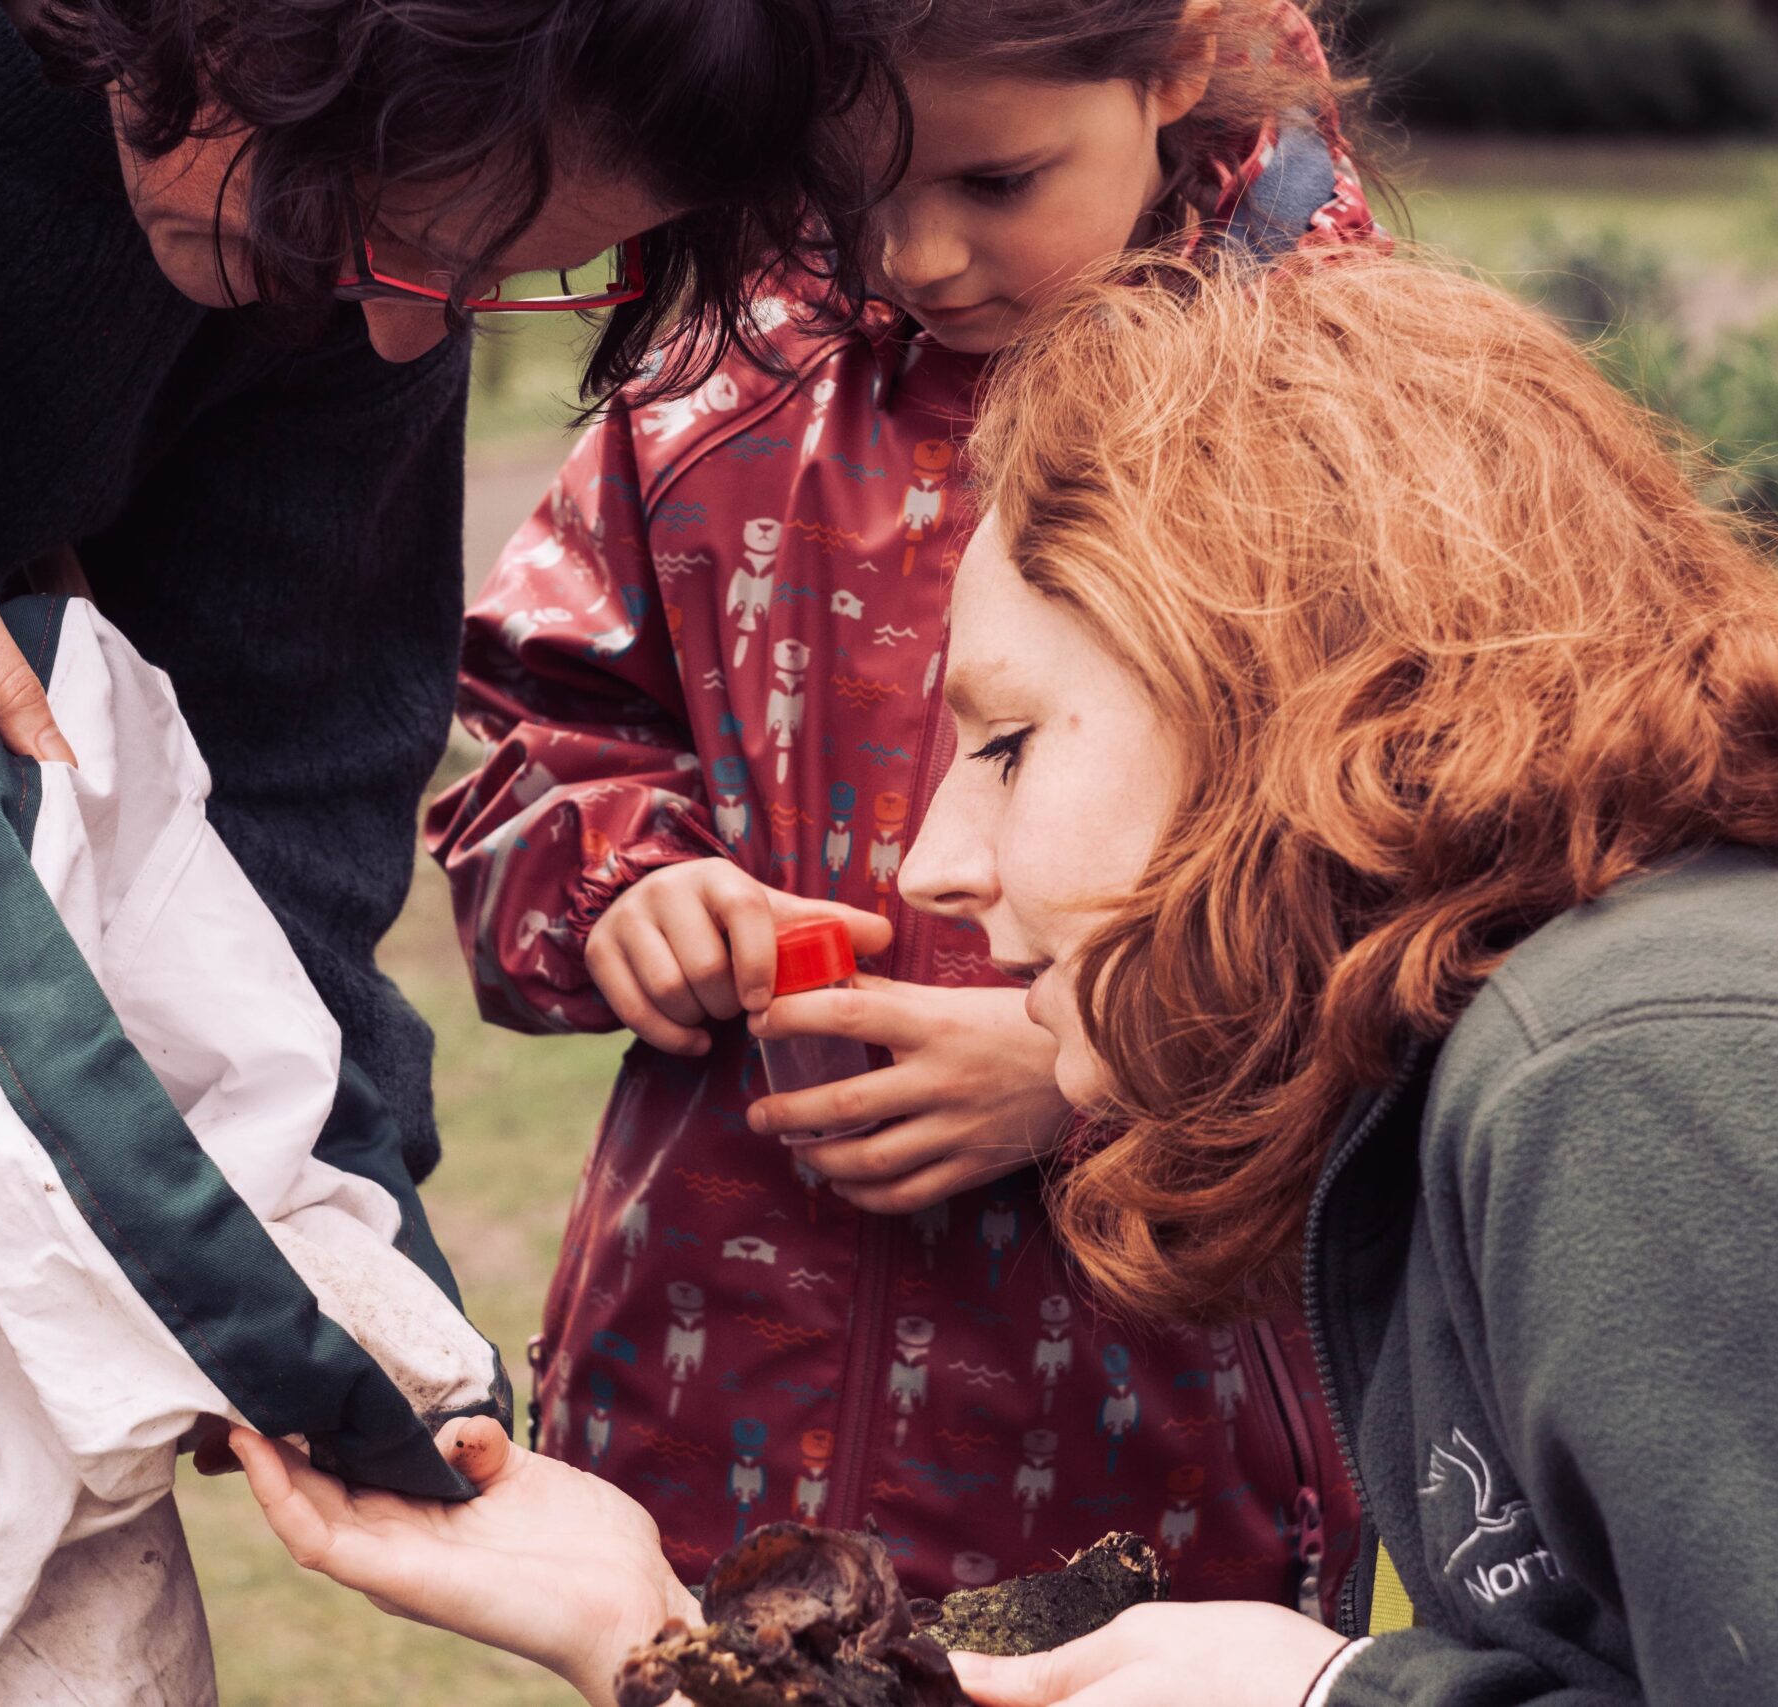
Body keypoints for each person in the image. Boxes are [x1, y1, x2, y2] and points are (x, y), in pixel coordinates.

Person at [231, 250, 1778, 1706]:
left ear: (1306, 700)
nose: (937, 861)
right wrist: (653, 1633)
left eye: (1006, 743)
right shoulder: (1484, 1095)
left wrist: (1333, 1702)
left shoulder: (1661, 1083)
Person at [0, 2, 910, 1701]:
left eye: (486, 282)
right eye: (389, 231)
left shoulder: (331, 276)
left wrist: (333, 1290)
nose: (384, 330)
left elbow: (277, 780)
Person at [426, 0, 1382, 1599]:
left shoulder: (1348, 435)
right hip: (711, 1410)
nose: (919, 256)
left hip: (1157, 1467)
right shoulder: (717, 389)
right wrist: (623, 888)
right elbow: (535, 735)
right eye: (851, 188)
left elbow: (1441, 898)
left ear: (1176, 66)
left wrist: (1102, 1062)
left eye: (997, 183)